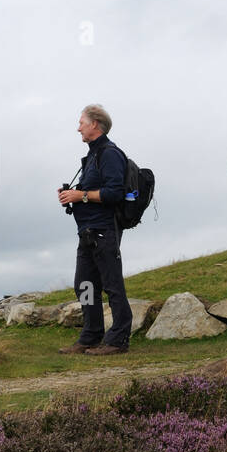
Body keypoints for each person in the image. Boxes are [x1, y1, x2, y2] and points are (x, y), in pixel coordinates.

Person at [56, 104, 133, 355]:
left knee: (112, 285)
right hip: (87, 232)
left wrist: (82, 196)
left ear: (94, 125)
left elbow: (115, 193)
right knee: (85, 284)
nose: (78, 127)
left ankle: (118, 340)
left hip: (104, 231)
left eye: (81, 122)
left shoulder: (109, 154)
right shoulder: (92, 156)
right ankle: (91, 336)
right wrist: (72, 196)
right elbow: (90, 192)